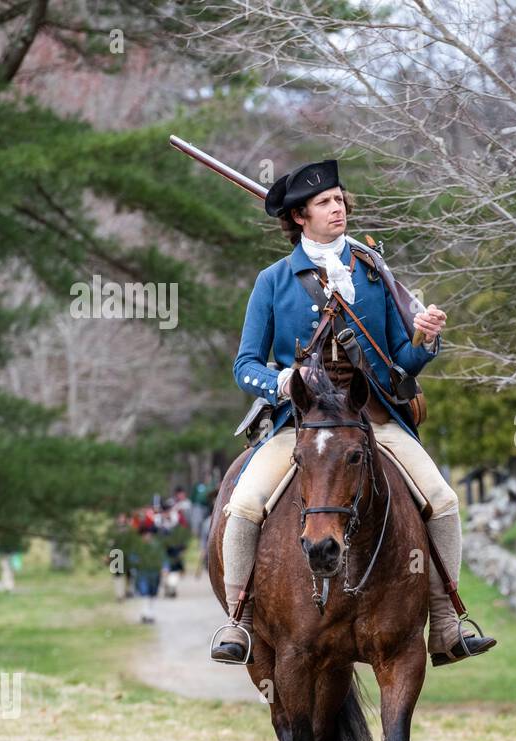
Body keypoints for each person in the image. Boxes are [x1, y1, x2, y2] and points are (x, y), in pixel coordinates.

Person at [209, 158, 496, 668]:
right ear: (300, 217)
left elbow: (398, 364)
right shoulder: (273, 281)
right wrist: (278, 382)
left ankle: (447, 621)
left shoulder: (372, 272)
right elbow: (244, 365)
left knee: (443, 499)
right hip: (301, 423)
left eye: (340, 199)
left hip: (374, 418)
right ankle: (239, 619)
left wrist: (425, 339)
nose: (336, 208)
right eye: (324, 203)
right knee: (246, 505)